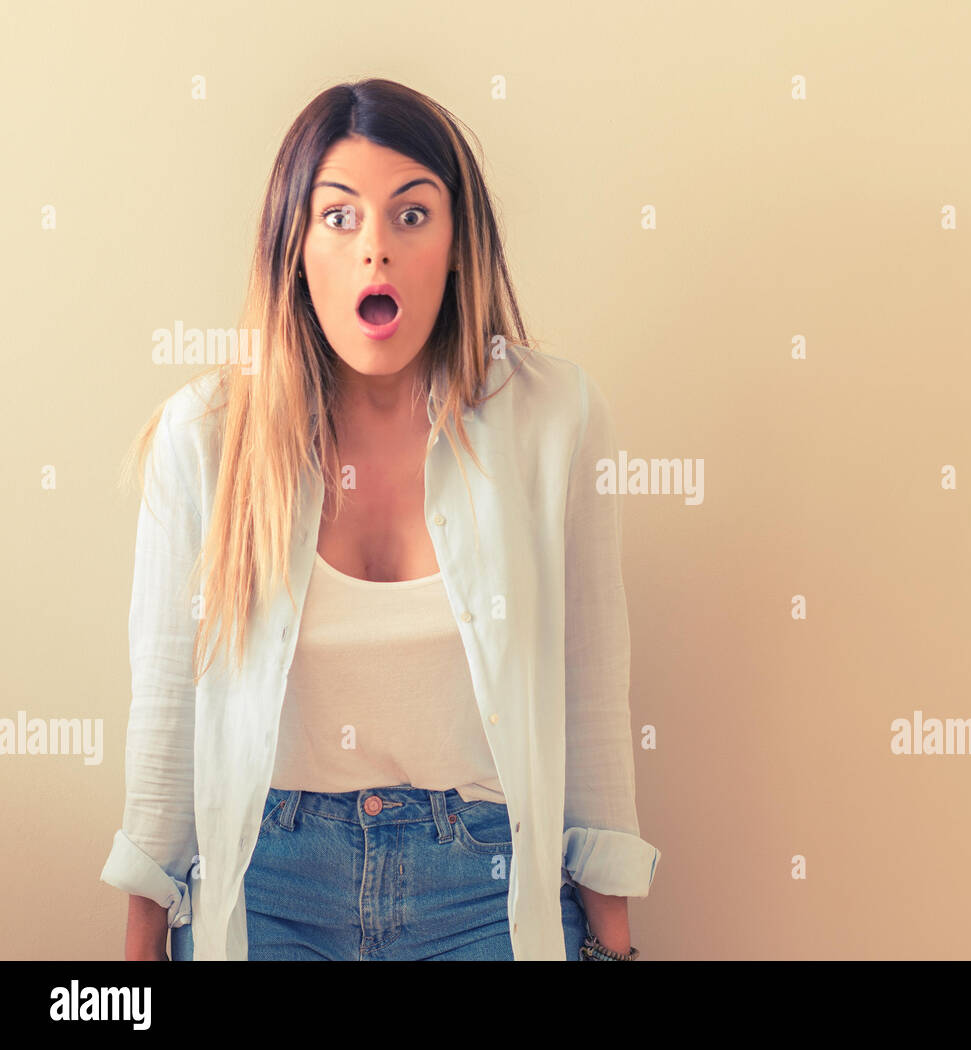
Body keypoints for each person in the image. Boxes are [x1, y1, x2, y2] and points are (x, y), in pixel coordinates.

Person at [99, 78, 661, 961]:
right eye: (339, 217)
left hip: (485, 889)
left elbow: (590, 697)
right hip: (269, 887)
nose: (376, 253)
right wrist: (135, 960)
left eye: (411, 215)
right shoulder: (205, 439)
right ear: (294, 249)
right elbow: (167, 717)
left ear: (457, 245)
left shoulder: (554, 419)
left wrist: (615, 946)